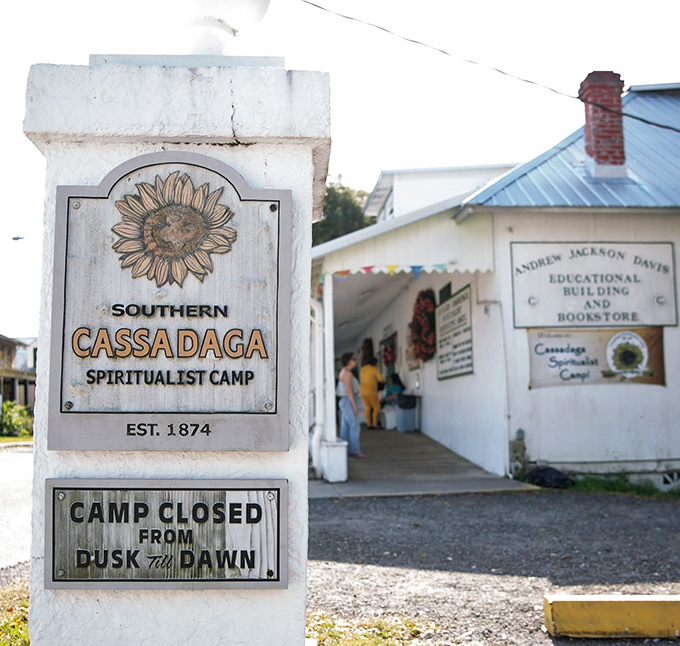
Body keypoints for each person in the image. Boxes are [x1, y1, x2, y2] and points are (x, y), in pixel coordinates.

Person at [336, 352, 367, 458]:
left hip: (344, 401)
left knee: (345, 427)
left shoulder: (344, 371)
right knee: (354, 426)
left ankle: (345, 450)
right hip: (348, 401)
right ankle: (356, 451)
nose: (356, 360)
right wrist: (354, 406)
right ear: (349, 361)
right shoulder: (348, 373)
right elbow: (349, 390)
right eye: (354, 359)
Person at [359, 356, 384, 429]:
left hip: (362, 391)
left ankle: (369, 424)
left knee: (367, 407)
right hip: (371, 391)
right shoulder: (374, 369)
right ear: (374, 363)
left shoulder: (362, 369)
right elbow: (381, 379)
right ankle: (375, 424)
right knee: (376, 407)